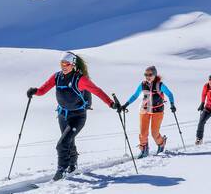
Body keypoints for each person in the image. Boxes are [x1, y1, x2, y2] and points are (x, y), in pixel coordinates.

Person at [27, 52, 119, 181]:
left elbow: (97, 91)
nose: (64, 66)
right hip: (62, 115)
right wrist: (34, 91)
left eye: (67, 64)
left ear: (73, 64)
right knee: (68, 141)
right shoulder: (57, 77)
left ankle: (62, 170)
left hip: (77, 117)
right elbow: (43, 90)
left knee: (61, 144)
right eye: (62, 63)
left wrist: (111, 103)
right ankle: (73, 165)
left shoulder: (80, 79)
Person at [120, 65, 176, 157]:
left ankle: (161, 143)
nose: (147, 77)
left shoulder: (159, 85)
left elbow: (170, 94)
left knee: (154, 133)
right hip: (145, 109)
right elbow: (135, 95)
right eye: (145, 74)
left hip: (157, 111)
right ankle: (144, 150)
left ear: (154, 75)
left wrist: (172, 104)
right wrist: (126, 104)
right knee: (143, 132)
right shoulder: (143, 84)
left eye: (150, 74)